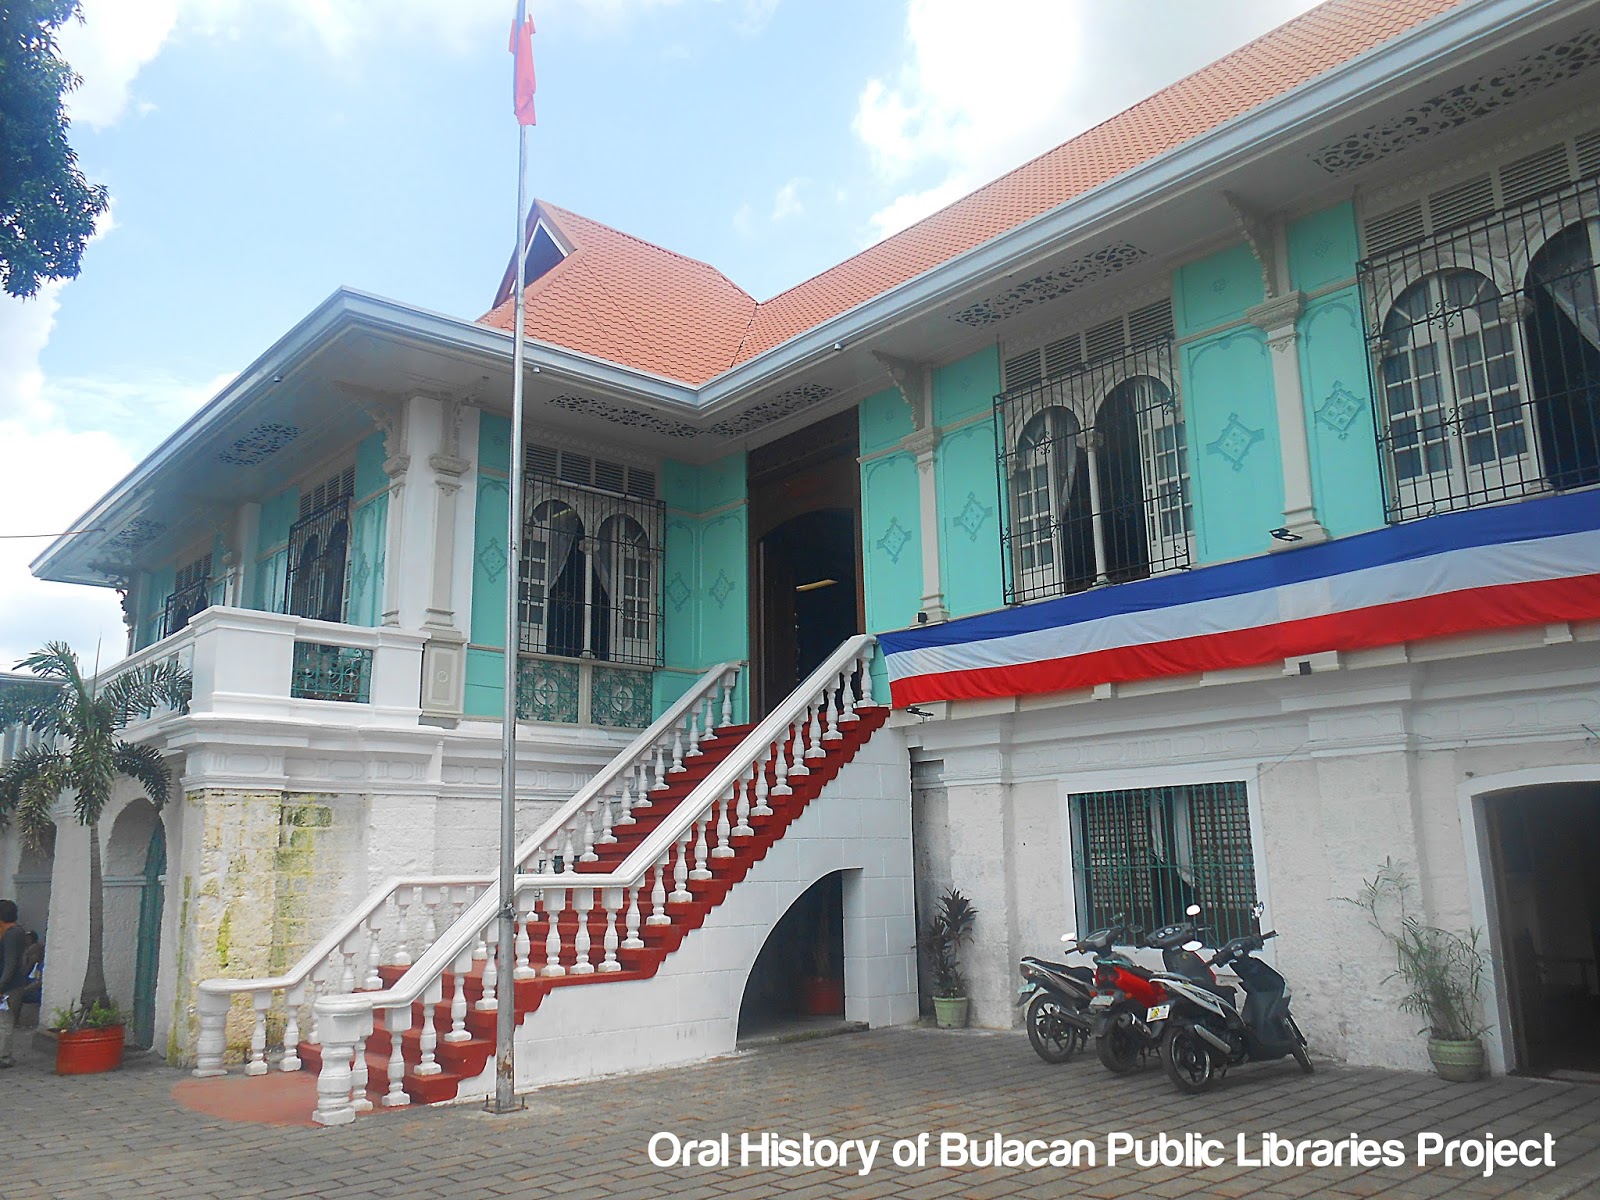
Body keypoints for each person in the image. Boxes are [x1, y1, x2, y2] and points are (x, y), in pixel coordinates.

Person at [0, 900, 25, 1068]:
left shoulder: (11, 934)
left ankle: (3, 1056)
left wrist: (1, 986)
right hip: (10, 984)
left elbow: (11, 963)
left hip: (10, 987)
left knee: (5, 1021)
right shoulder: (13, 933)